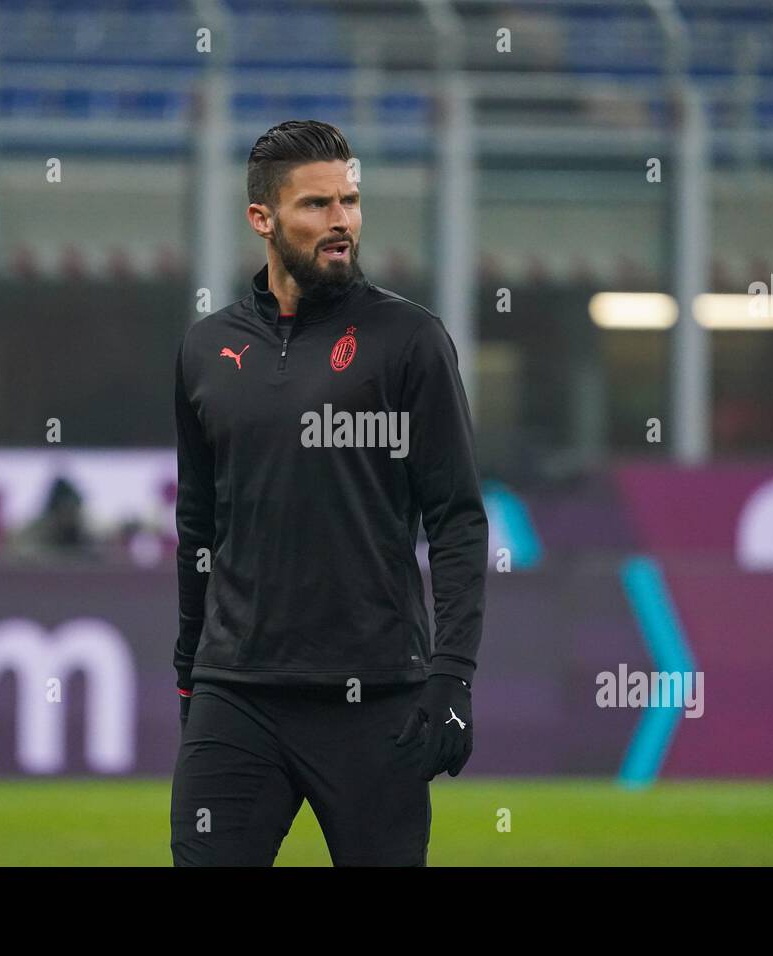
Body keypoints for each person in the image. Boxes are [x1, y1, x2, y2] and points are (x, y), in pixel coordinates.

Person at [170, 120, 488, 866]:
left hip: (376, 699)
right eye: (316, 205)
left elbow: (457, 520)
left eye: (350, 200)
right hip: (236, 696)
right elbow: (198, 526)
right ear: (263, 220)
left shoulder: (409, 340)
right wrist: (189, 674)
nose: (341, 220)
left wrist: (453, 674)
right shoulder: (202, 350)